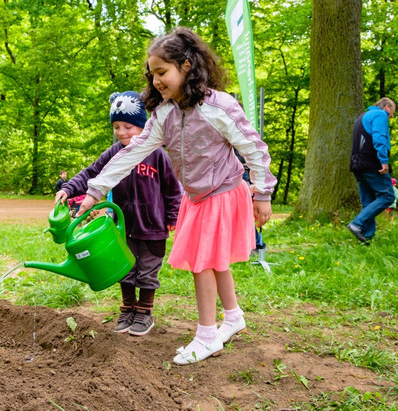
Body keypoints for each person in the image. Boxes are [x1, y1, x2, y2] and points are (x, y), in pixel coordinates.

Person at [74, 28, 276, 364]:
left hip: (223, 193)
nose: (155, 81)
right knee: (214, 261)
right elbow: (130, 153)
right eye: (151, 74)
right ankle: (234, 316)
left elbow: (253, 148)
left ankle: (207, 335)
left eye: (162, 72)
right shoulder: (165, 114)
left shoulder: (219, 107)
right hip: (196, 198)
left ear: (186, 65)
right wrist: (95, 190)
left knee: (202, 263)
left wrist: (263, 192)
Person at [56, 91, 181, 336]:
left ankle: (144, 311)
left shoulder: (156, 154)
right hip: (123, 226)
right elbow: (91, 173)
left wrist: (172, 217)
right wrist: (69, 188)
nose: (122, 132)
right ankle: (127, 309)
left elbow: (172, 189)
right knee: (125, 268)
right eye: (116, 126)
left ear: (143, 126)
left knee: (148, 270)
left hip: (153, 227)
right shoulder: (113, 153)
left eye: (128, 126)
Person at [347, 97, 396, 243]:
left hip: (357, 163)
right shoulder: (380, 115)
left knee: (367, 201)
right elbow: (379, 138)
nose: (390, 117)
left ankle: (366, 237)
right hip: (371, 162)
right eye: (391, 114)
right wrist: (384, 161)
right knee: (387, 196)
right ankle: (357, 223)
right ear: (386, 107)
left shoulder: (361, 117)